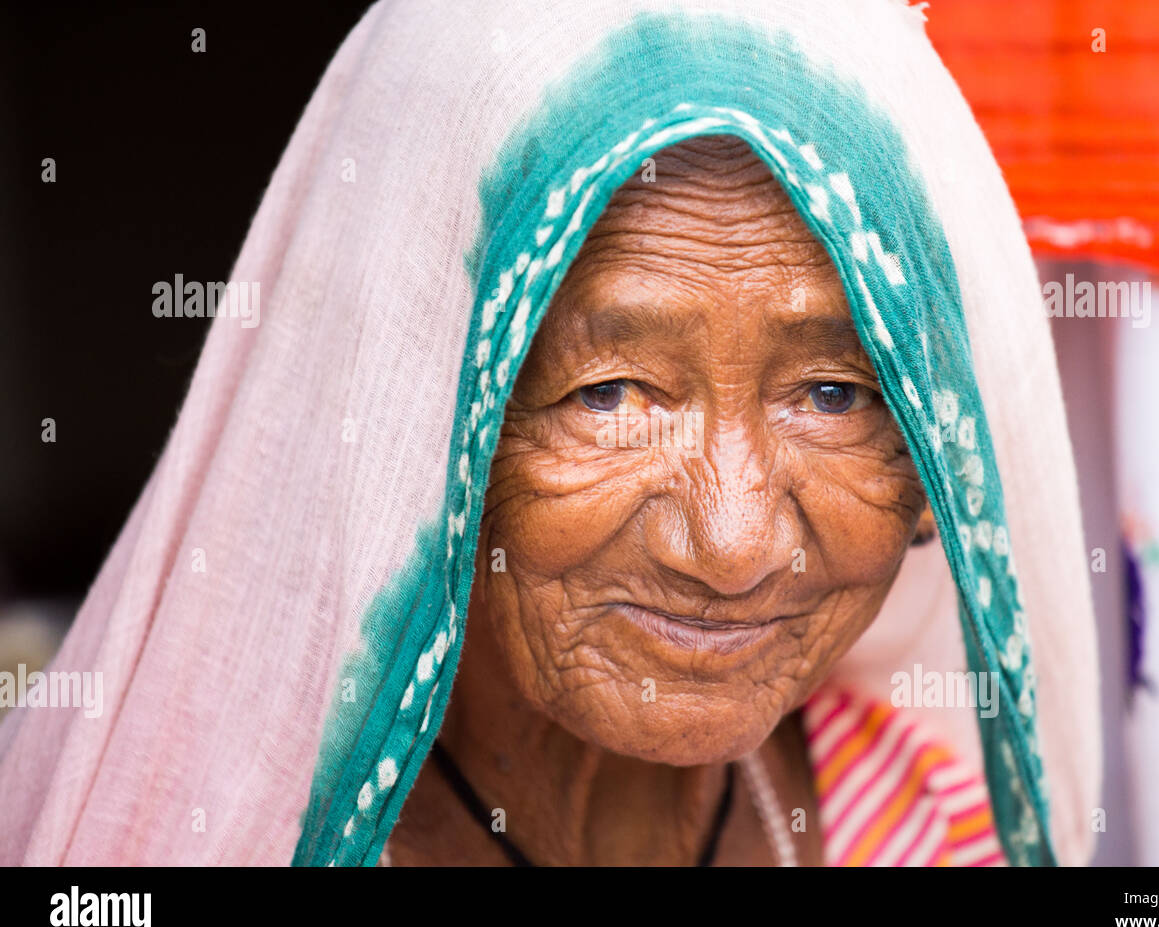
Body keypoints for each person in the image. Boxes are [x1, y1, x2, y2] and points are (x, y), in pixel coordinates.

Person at [0, 0, 1099, 867]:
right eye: (610, 393)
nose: (731, 545)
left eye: (833, 394)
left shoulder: (927, 828)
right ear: (413, 428)